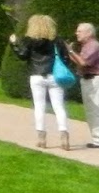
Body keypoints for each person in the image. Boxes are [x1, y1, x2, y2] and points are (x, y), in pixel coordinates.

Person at [9, 14, 74, 151]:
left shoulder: (29, 41)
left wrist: (14, 43)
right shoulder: (57, 41)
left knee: (39, 106)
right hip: (54, 76)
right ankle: (64, 135)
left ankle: (41, 138)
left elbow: (22, 55)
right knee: (59, 106)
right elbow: (66, 58)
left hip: (37, 75)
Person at [72, 22, 99, 150]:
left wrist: (69, 50)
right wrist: (70, 53)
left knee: (94, 109)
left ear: (89, 33)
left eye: (79, 31)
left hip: (95, 79)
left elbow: (84, 63)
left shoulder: (92, 45)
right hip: (96, 79)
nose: (76, 33)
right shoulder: (88, 46)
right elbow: (80, 62)